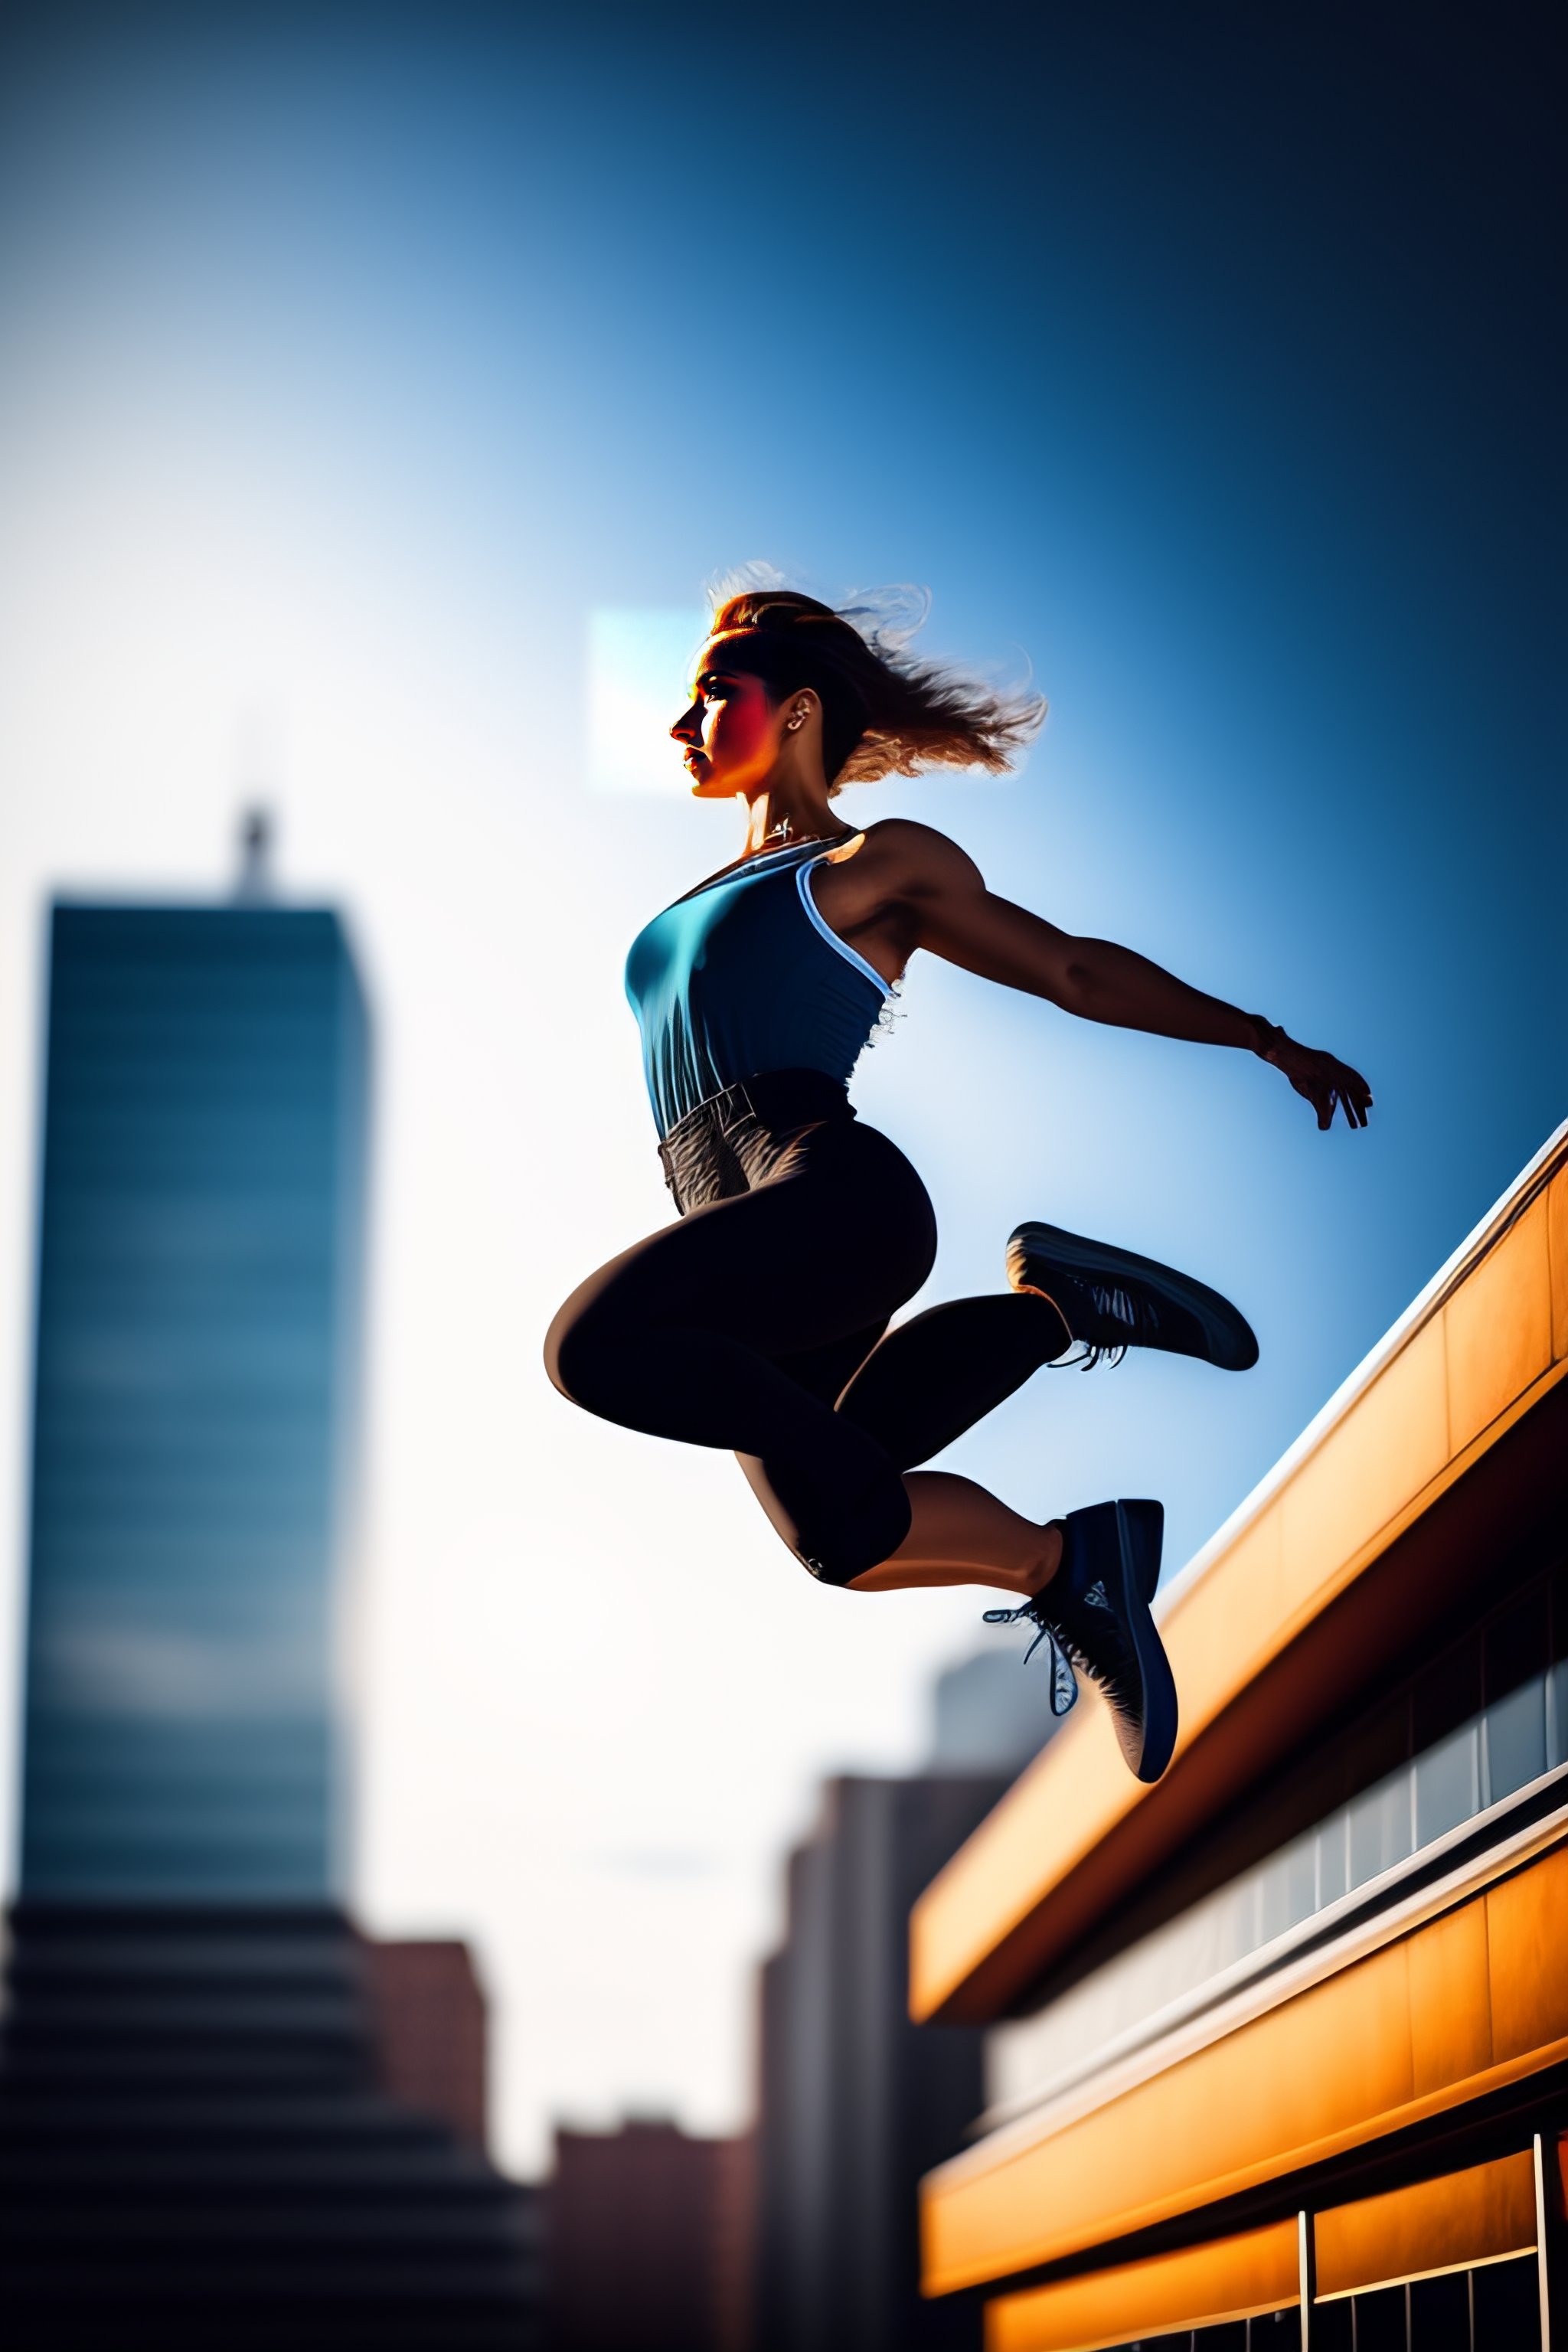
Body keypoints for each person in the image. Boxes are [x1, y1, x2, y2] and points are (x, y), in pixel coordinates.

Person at [545, 588, 1371, 1784]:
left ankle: (1051, 1338)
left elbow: (1074, 971)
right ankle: (1067, 1536)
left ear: (799, 710)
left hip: (832, 1199)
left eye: (715, 693)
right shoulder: (696, 896)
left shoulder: (871, 865)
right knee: (844, 1537)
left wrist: (1263, 1038)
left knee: (593, 1348)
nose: (683, 724)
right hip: (736, 1234)